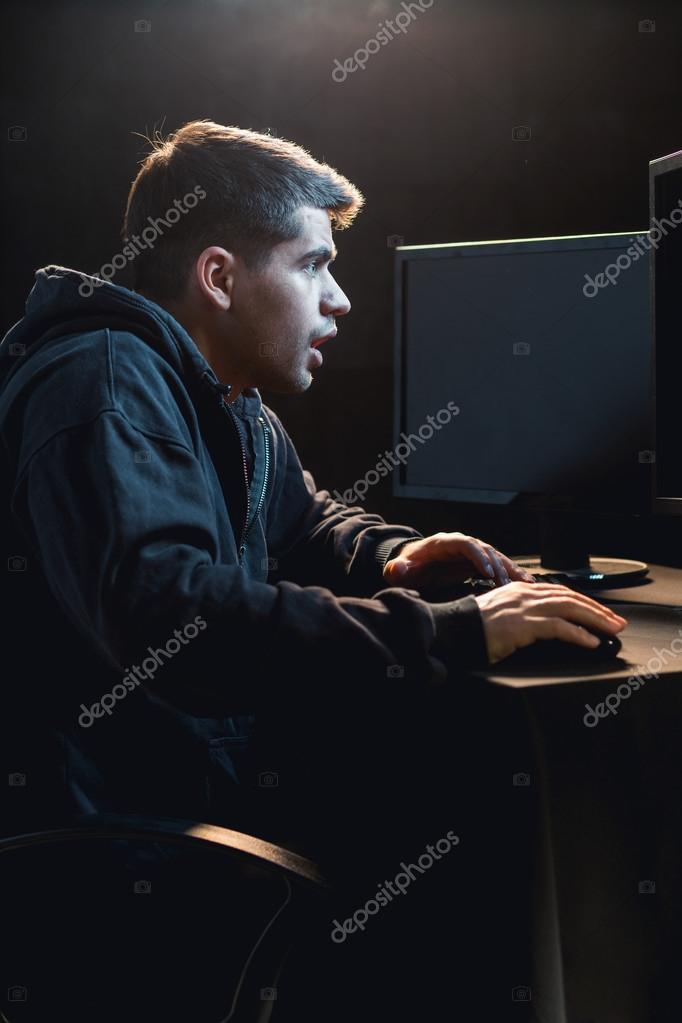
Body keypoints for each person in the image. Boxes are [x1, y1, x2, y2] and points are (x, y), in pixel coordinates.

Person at [0, 119, 626, 1019]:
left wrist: (390, 556)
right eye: (312, 265)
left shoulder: (225, 399)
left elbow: (303, 523)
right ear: (218, 276)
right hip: (114, 844)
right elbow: (174, 622)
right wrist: (452, 629)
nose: (340, 302)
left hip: (192, 794)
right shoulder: (103, 383)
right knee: (471, 836)